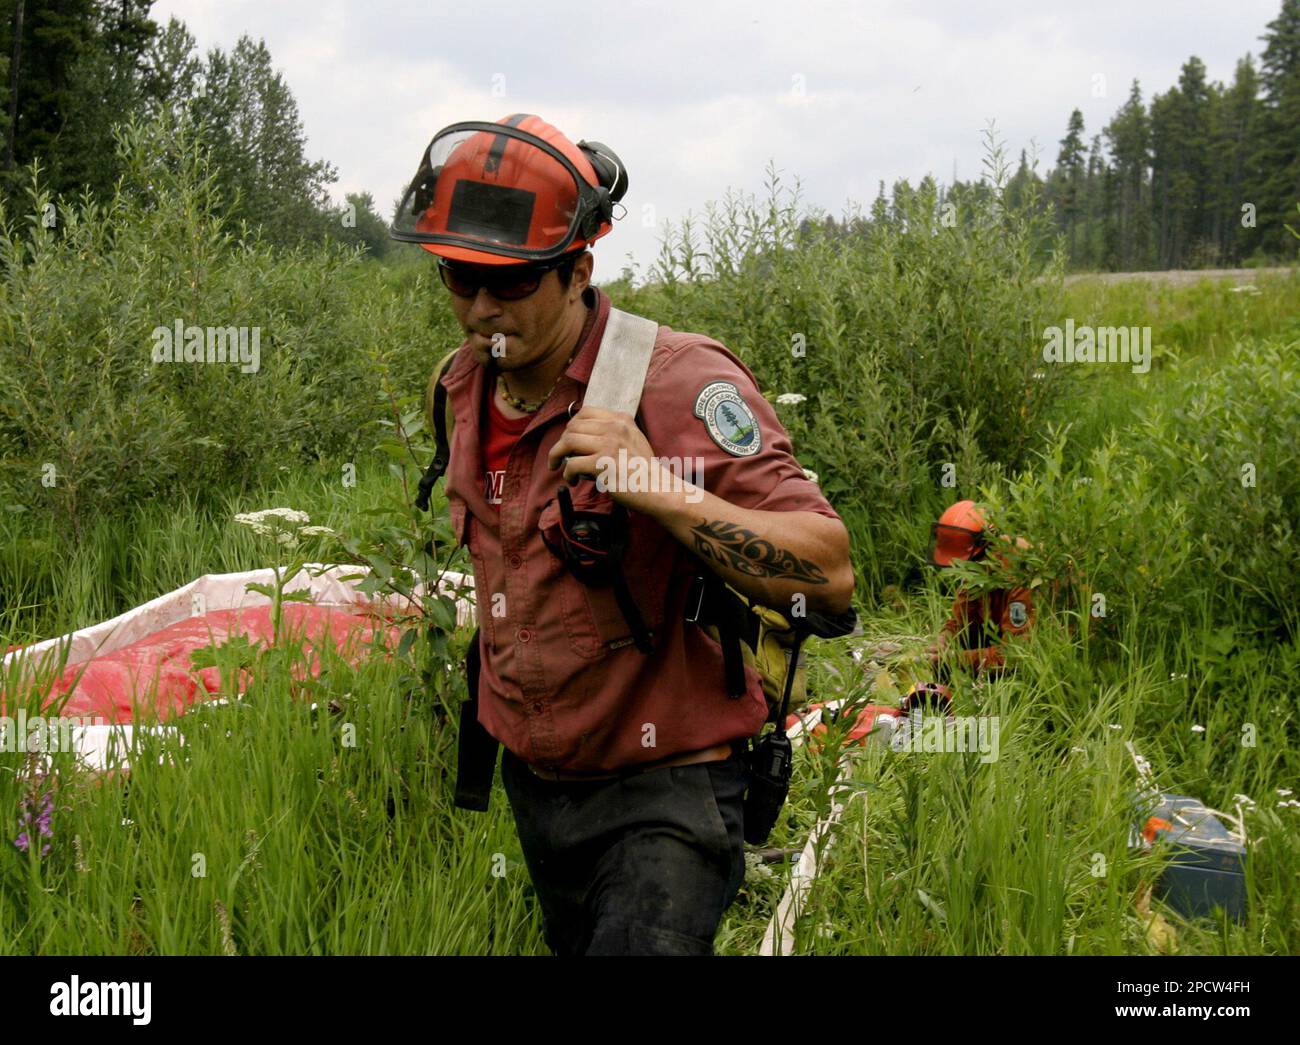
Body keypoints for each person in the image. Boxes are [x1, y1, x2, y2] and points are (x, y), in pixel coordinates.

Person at [390, 114, 854, 955]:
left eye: (514, 282)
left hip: (666, 795)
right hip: (540, 790)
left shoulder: (676, 382)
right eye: (461, 278)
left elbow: (827, 573)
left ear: (578, 271)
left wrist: (658, 488)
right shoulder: (458, 388)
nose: (483, 309)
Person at [925, 500, 1033, 676]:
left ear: (987, 548)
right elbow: (964, 619)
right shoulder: (975, 568)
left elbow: (1014, 655)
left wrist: (955, 659)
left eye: (965, 563)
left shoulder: (1023, 573)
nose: (961, 571)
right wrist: (945, 638)